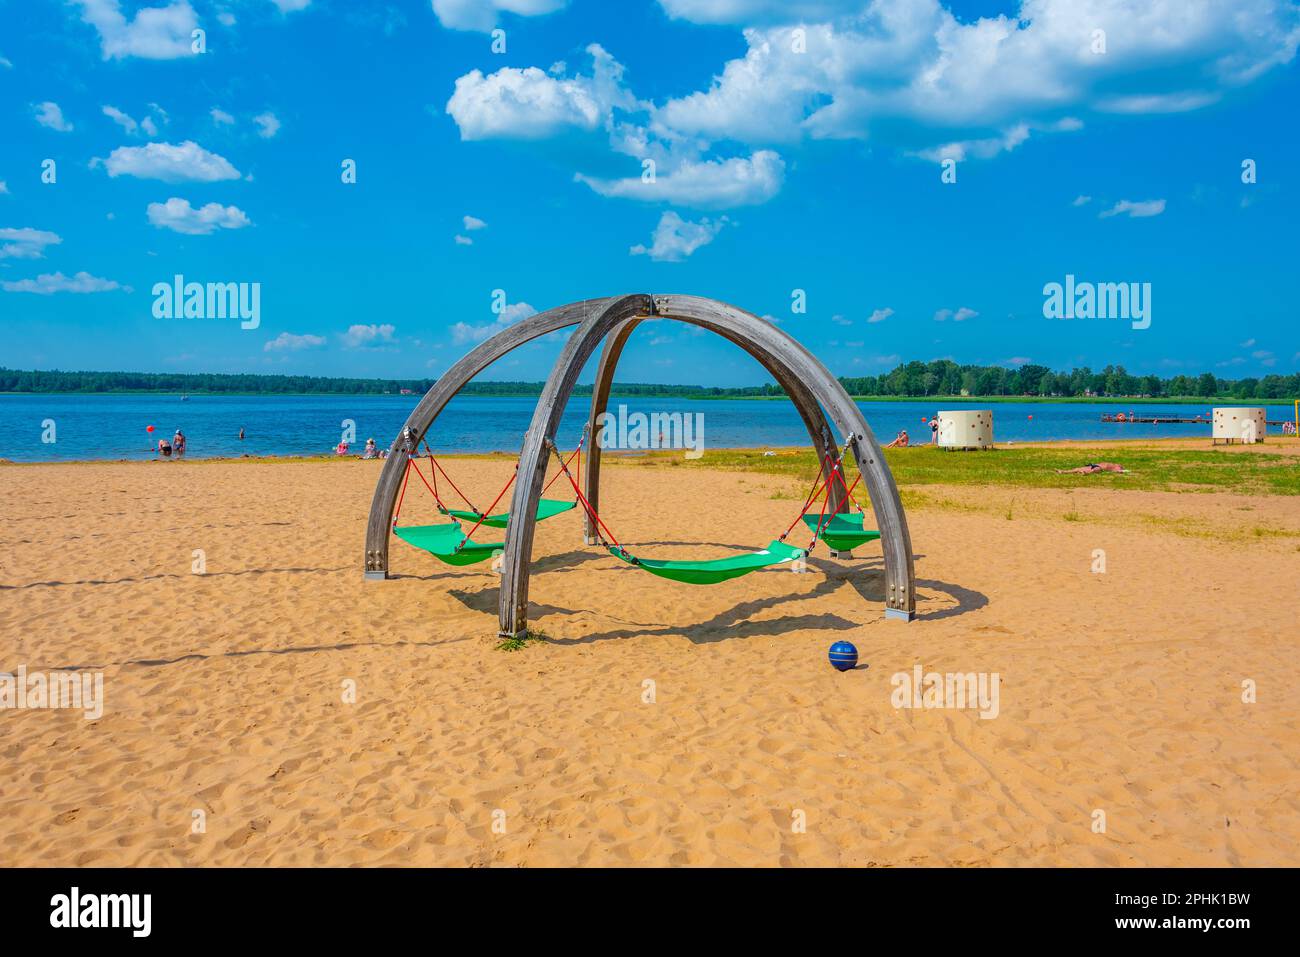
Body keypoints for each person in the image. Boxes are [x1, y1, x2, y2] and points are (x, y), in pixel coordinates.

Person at [1056, 462, 1127, 474]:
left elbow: (1120, 471)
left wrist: (1122, 471)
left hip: (1099, 467)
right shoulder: (1114, 464)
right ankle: (1063, 471)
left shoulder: (1117, 467)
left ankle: (1085, 473)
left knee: (1093, 470)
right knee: (1078, 468)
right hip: (1094, 465)